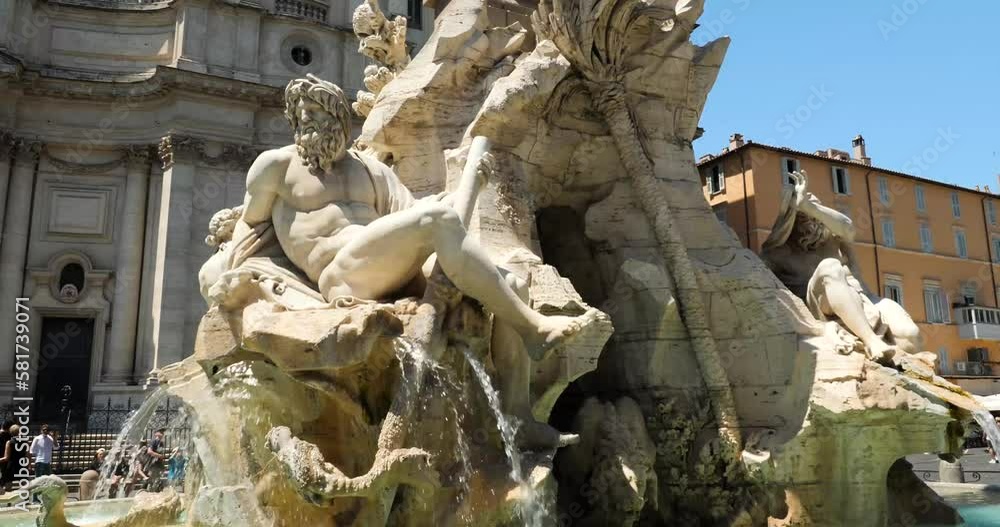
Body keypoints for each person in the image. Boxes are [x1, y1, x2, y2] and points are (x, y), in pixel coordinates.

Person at [219, 75, 596, 448]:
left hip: (391, 267)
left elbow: (418, 216)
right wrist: (232, 279)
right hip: (341, 276)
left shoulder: (370, 169)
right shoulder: (275, 166)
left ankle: (519, 417)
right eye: (300, 117)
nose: (308, 123)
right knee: (440, 221)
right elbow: (248, 230)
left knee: (512, 283)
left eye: (317, 114)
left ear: (339, 118)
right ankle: (534, 330)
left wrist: (467, 188)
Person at [762, 170, 921, 364]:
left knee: (910, 336)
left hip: (864, 298)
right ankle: (871, 341)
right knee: (830, 266)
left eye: (815, 214)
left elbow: (848, 228)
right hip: (820, 306)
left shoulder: (834, 237)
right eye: (804, 217)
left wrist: (808, 206)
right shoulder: (778, 253)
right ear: (791, 220)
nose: (812, 222)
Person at [0, 423, 24, 492]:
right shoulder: (25, 442)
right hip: (22, 465)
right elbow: (27, 455)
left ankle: (9, 502)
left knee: (8, 486)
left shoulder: (9, 442)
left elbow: (6, 457)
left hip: (11, 466)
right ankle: (26, 500)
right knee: (24, 485)